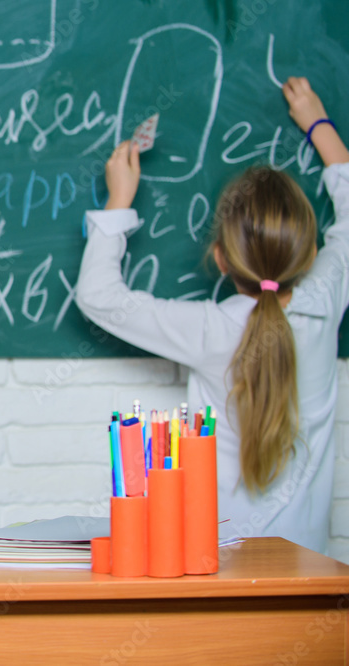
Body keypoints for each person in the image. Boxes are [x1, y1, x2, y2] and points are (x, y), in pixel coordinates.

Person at [75, 77, 349, 552]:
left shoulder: (210, 330)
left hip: (221, 560)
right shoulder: (323, 301)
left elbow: (99, 296)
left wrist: (119, 199)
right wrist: (318, 125)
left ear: (220, 258)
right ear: (307, 255)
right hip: (312, 570)